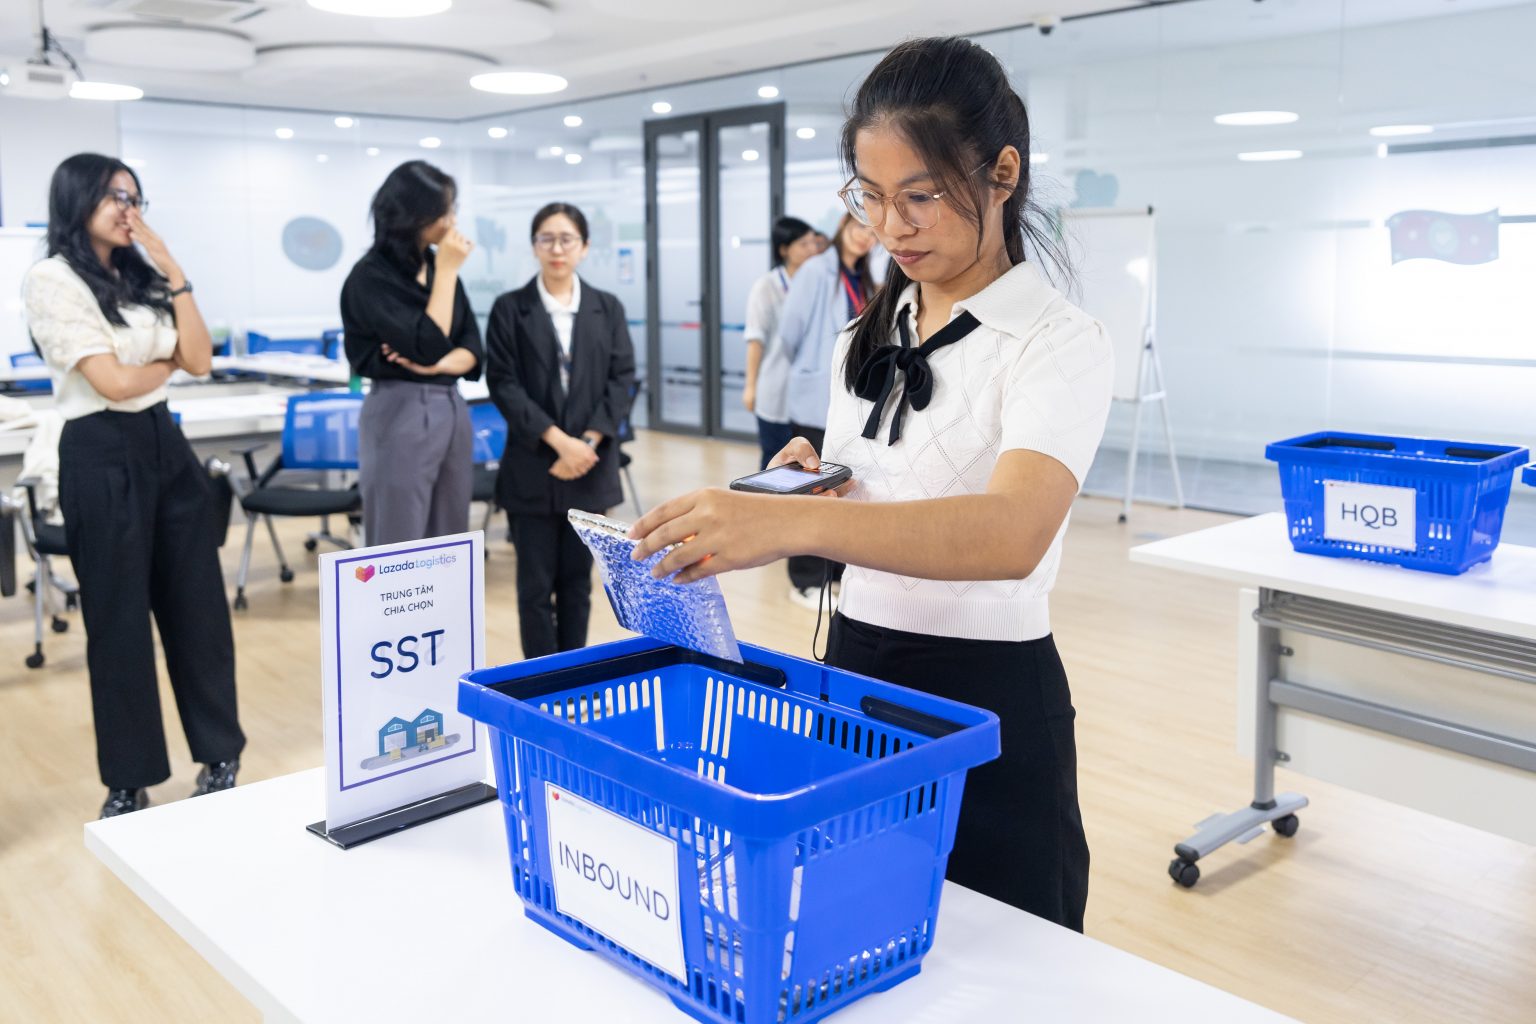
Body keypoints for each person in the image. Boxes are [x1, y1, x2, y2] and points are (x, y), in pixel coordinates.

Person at [626, 36, 1114, 930]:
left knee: (1012, 962)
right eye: (872, 198)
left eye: (922, 196)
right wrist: (809, 490)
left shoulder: (1057, 340)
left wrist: (795, 532)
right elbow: (878, 492)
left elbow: (1012, 534)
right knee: (863, 928)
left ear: (1003, 173)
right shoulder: (864, 336)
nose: (894, 227)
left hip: (989, 692)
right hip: (856, 670)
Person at [23, 154, 244, 818]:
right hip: (99, 450)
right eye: (114, 197)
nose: (129, 210)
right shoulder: (52, 279)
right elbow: (111, 385)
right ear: (78, 200)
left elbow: (199, 360)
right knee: (117, 624)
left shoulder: (147, 278)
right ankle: (129, 777)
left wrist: (175, 274)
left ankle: (220, 752)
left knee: (198, 612)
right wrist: (164, 359)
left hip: (165, 445)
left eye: (136, 197)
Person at [486, 203, 636, 659]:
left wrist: (587, 443)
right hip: (534, 464)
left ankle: (573, 675)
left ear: (584, 248)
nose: (557, 248)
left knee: (577, 584)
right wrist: (559, 442)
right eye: (546, 238)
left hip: (590, 466)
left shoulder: (605, 307)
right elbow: (504, 384)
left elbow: (621, 377)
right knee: (533, 588)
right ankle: (542, 680)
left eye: (567, 239)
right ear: (534, 247)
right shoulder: (511, 308)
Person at [341, 160, 483, 546]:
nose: (452, 222)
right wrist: (449, 272)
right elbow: (429, 341)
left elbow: (472, 347)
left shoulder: (439, 267)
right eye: (444, 211)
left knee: (450, 536)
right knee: (398, 535)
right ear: (413, 215)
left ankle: (444, 610)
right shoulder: (371, 277)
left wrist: (433, 364)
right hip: (399, 409)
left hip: (451, 405)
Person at [776, 214, 877, 607]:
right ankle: (804, 578)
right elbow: (789, 331)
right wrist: (809, 365)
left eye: (872, 232)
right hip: (814, 391)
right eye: (859, 228)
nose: (865, 238)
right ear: (843, 226)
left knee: (837, 484)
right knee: (807, 487)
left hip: (848, 396)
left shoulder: (860, 274)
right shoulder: (818, 270)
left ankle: (833, 571)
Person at [742, 216, 818, 470]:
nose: (812, 250)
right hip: (776, 390)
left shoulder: (817, 285)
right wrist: (750, 386)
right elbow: (755, 339)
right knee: (775, 464)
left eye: (813, 243)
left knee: (808, 466)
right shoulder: (767, 286)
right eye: (804, 244)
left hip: (810, 393)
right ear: (784, 249)